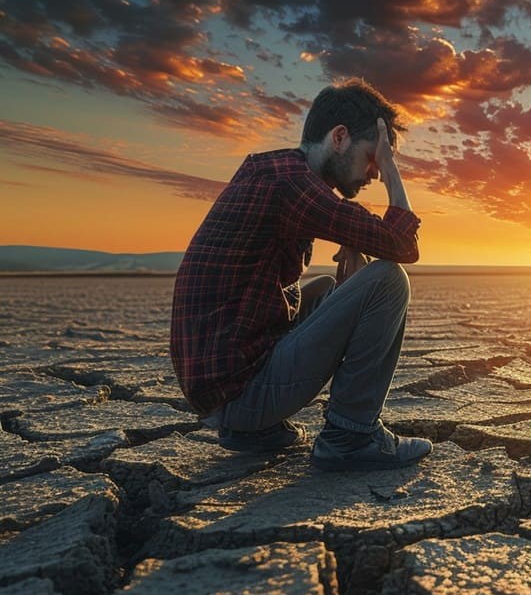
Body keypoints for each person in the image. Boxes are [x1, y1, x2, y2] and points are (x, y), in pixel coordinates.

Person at [170, 78, 432, 471]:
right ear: (339, 138)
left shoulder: (279, 171)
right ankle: (351, 436)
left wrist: (348, 277)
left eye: (381, 164)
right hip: (239, 395)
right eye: (372, 157)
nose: (374, 173)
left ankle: (252, 432)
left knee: (328, 287)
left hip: (222, 391)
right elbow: (401, 246)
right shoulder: (292, 185)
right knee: (388, 281)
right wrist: (394, 172)